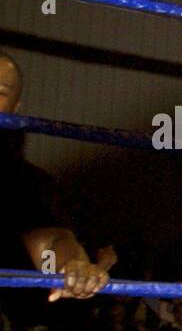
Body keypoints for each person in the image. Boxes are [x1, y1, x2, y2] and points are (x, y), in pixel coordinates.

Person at [0, 51, 112, 304]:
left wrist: (72, 266)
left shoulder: (22, 180)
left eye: (0, 92)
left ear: (14, 111)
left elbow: (49, 239)